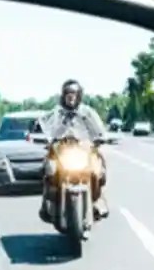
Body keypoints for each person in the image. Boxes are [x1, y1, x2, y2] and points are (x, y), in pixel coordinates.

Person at [39, 79, 109, 221]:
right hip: (62, 151)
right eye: (68, 93)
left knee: (98, 170)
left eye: (74, 93)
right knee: (49, 171)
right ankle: (48, 203)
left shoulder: (87, 112)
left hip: (83, 150)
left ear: (79, 95)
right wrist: (45, 137)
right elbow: (44, 126)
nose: (71, 96)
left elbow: (99, 128)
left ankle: (97, 201)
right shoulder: (57, 113)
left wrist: (101, 137)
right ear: (63, 95)